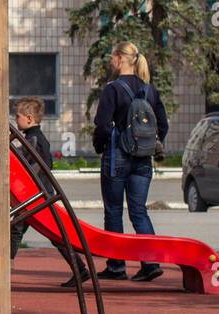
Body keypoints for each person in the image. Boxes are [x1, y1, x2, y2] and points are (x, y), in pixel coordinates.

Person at [92, 41, 167, 282]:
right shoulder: (149, 89)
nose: (111, 61)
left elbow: (102, 124)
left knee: (113, 211)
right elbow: (162, 124)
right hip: (143, 159)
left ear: (120, 59)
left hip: (117, 157)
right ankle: (151, 262)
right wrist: (151, 144)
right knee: (138, 210)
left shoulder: (113, 89)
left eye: (112, 57)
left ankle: (116, 265)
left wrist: (100, 145)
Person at [9, 98, 91, 285]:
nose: (16, 120)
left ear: (29, 118)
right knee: (51, 234)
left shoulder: (34, 139)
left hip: (36, 196)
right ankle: (80, 269)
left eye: (18, 116)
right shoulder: (33, 138)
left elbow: (38, 165)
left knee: (20, 231)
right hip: (38, 195)